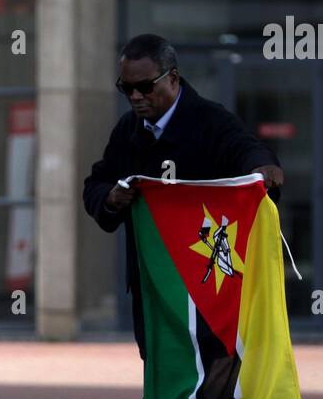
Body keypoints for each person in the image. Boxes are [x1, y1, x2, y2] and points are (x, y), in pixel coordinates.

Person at [82, 34, 283, 358]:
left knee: (210, 386)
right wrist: (109, 198)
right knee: (163, 382)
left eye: (145, 87)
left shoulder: (210, 121)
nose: (135, 96)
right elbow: (96, 183)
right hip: (153, 290)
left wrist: (264, 169)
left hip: (205, 290)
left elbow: (246, 149)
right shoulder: (127, 131)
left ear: (172, 78)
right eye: (126, 88)